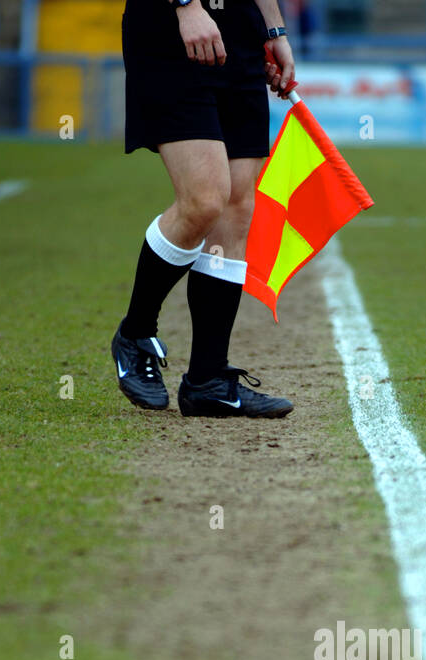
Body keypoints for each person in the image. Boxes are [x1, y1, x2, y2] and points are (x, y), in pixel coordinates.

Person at [113, 0, 298, 418]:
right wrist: (186, 7)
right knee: (204, 200)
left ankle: (207, 381)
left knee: (236, 207)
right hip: (171, 32)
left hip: (241, 36)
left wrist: (274, 31)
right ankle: (136, 332)